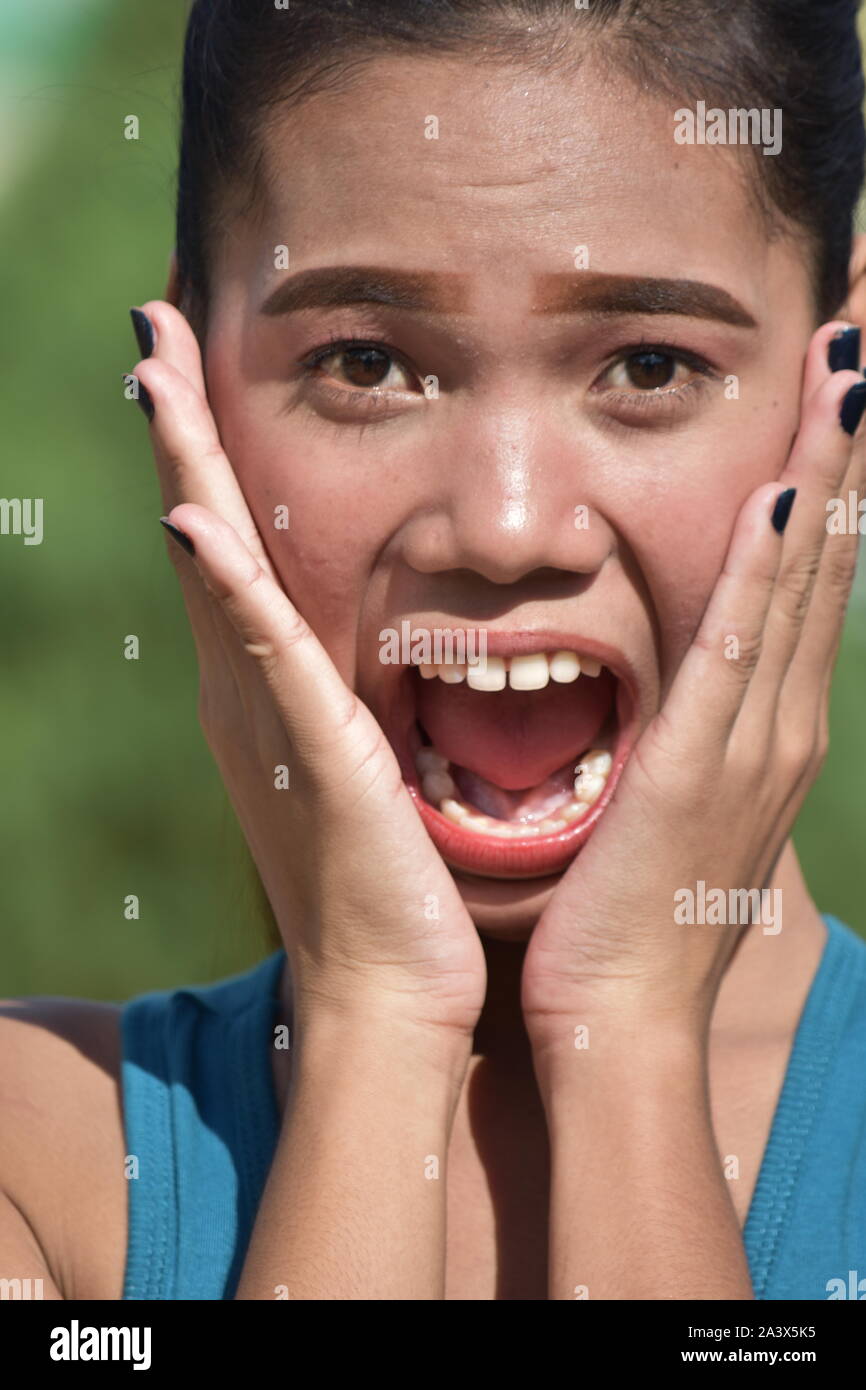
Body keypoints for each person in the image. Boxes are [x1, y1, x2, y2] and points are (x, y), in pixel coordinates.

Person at [2, 0, 866, 1301]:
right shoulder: (39, 1158)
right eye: (365, 360)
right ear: (183, 385)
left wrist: (623, 1032)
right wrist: (373, 1026)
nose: (507, 527)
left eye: (645, 365)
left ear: (837, 373)